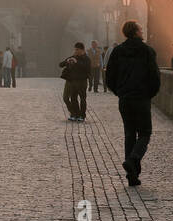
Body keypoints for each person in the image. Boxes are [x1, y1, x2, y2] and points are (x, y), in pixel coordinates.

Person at [104, 20, 160, 186]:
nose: (142, 32)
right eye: (140, 30)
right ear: (135, 32)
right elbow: (155, 77)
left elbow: (109, 77)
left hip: (125, 99)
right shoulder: (147, 51)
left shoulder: (117, 51)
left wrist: (119, 91)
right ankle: (134, 159)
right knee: (145, 133)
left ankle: (132, 176)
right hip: (141, 98)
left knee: (129, 134)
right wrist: (150, 94)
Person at [59, 43, 91, 121]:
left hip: (82, 81)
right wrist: (67, 61)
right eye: (75, 49)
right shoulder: (73, 57)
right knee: (74, 99)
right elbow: (61, 64)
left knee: (82, 99)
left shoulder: (86, 58)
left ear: (82, 50)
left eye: (77, 49)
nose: (75, 51)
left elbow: (86, 69)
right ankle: (76, 114)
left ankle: (82, 116)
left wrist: (77, 62)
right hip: (73, 81)